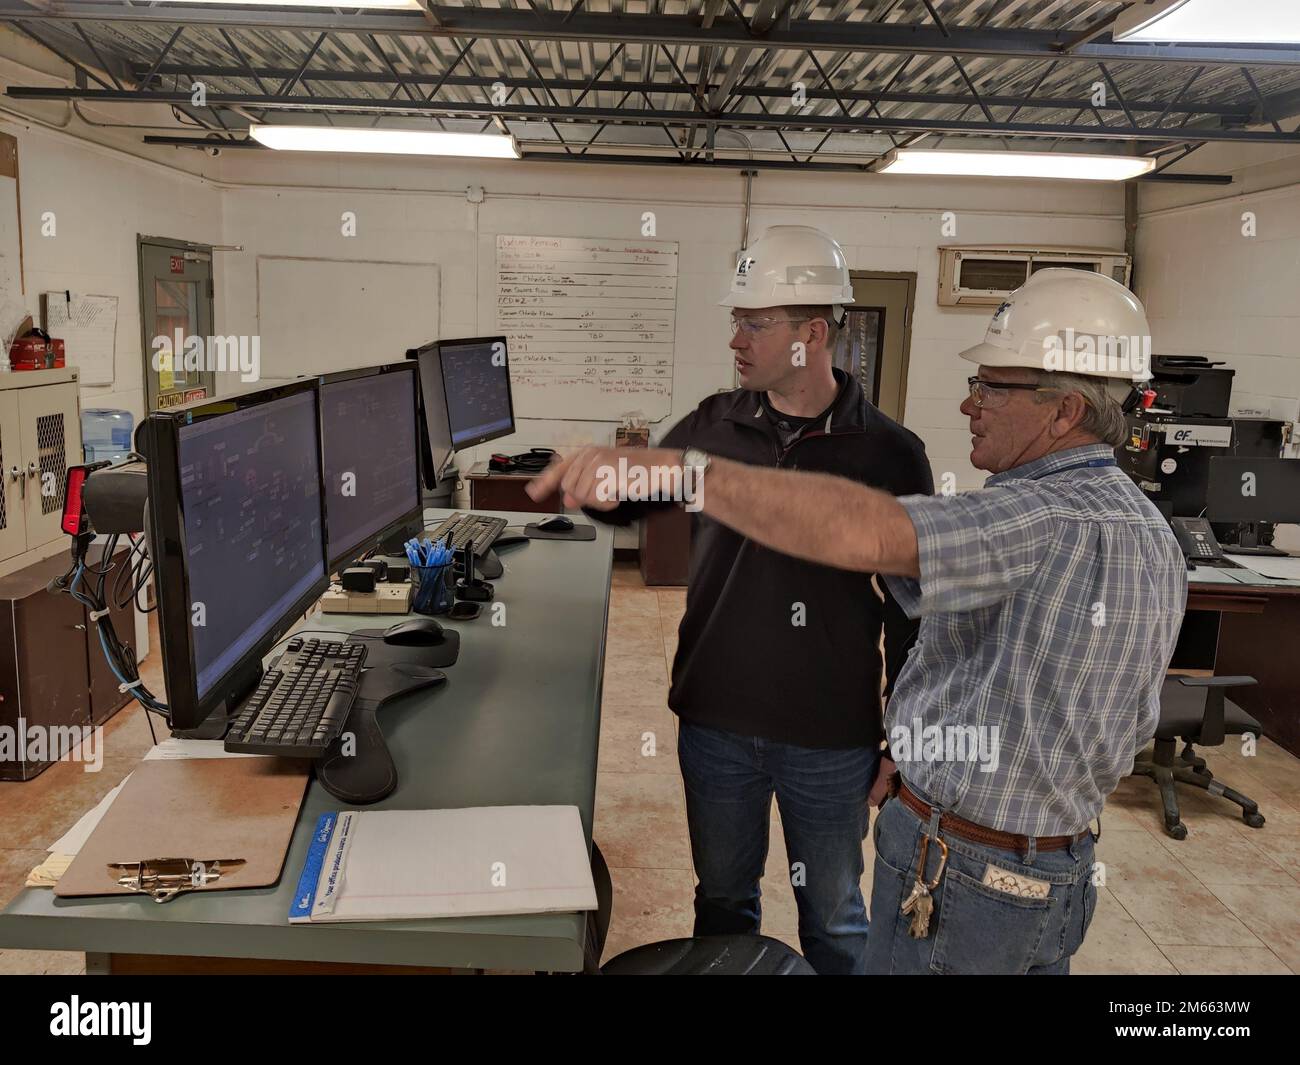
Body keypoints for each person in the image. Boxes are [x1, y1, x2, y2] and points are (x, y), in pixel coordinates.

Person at [530, 269, 1187, 974]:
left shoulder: (1003, 503)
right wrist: (608, 480)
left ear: (1064, 411)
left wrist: (697, 474)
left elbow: (877, 544)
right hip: (1032, 856)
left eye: (992, 387)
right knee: (724, 903)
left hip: (927, 833)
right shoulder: (1147, 529)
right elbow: (1071, 695)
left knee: (835, 923)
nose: (970, 403)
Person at [586, 225, 932, 974]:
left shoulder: (889, 453)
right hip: (714, 725)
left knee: (837, 923)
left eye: (754, 322)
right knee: (721, 908)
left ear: (812, 333)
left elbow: (914, 616)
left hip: (829, 738)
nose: (736, 338)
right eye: (736, 320)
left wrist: (903, 737)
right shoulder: (716, 422)